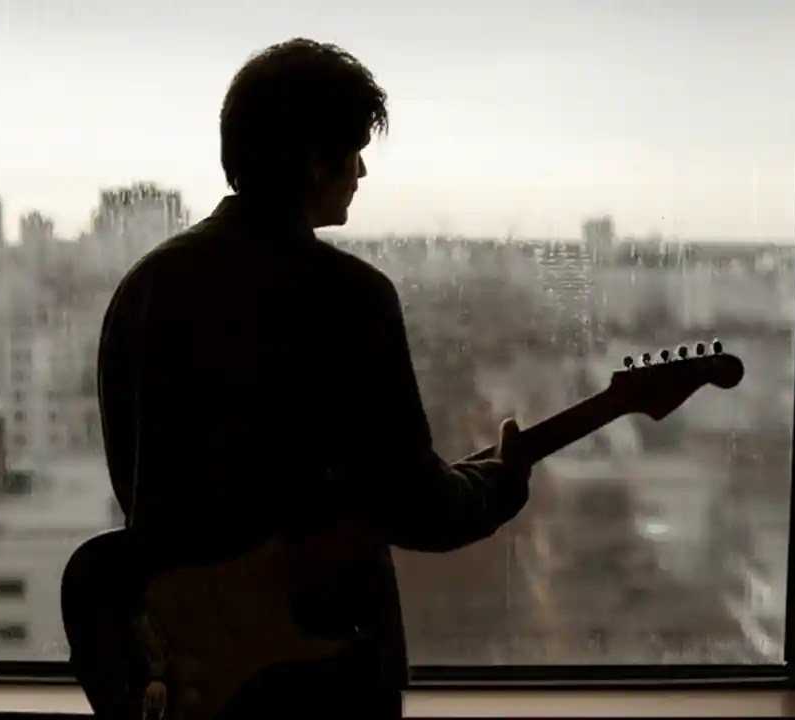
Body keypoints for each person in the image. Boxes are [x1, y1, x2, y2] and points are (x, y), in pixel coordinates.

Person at [96, 38, 532, 717]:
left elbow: (134, 480)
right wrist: (501, 485)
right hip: (327, 672)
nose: (361, 169)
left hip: (193, 673)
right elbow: (411, 505)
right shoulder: (350, 296)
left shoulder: (145, 287)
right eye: (353, 149)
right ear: (310, 161)